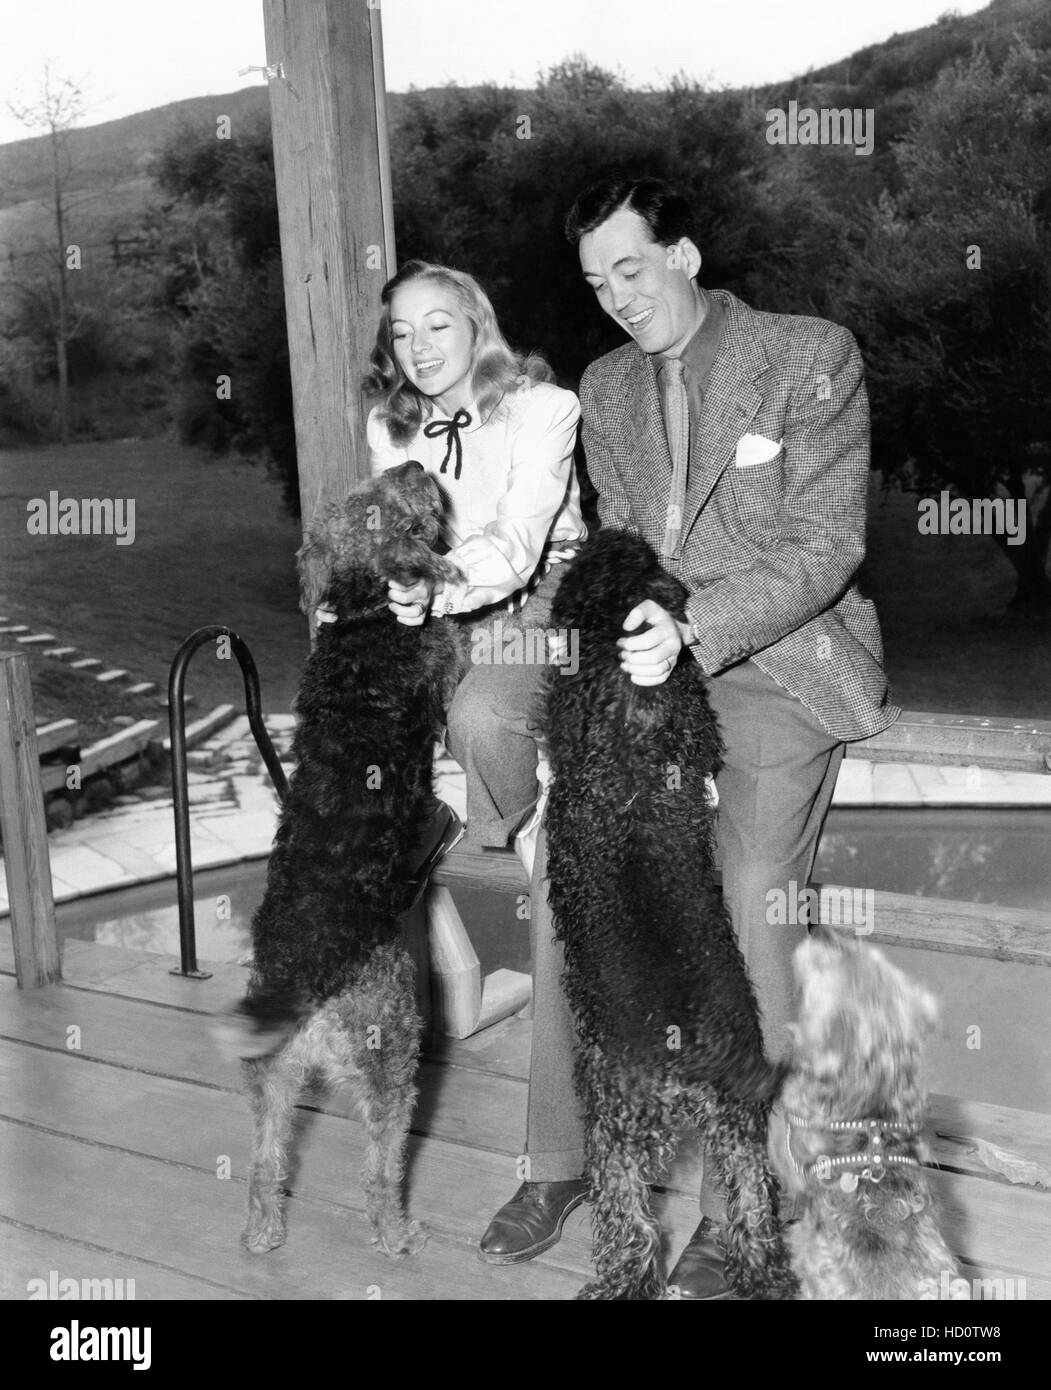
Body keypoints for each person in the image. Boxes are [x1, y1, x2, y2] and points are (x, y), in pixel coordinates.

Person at [478, 177, 899, 1296]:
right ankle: (561, 1161)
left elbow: (825, 549)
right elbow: (622, 548)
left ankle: (733, 1211)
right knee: (582, 882)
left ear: (685, 251)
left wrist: (694, 626)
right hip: (651, 669)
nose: (617, 298)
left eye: (632, 268)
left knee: (752, 895)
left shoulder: (811, 353)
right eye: (594, 282)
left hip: (777, 661)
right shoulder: (606, 388)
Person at [363, 259, 585, 853]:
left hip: (546, 584)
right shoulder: (390, 427)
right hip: (451, 590)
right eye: (402, 332)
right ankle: (509, 824)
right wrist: (394, 587)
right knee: (371, 691)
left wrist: (436, 587)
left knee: (480, 718)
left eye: (437, 326)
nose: (418, 347)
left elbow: (518, 542)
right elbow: (398, 533)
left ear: (475, 325)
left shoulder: (545, 408)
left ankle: (541, 829)